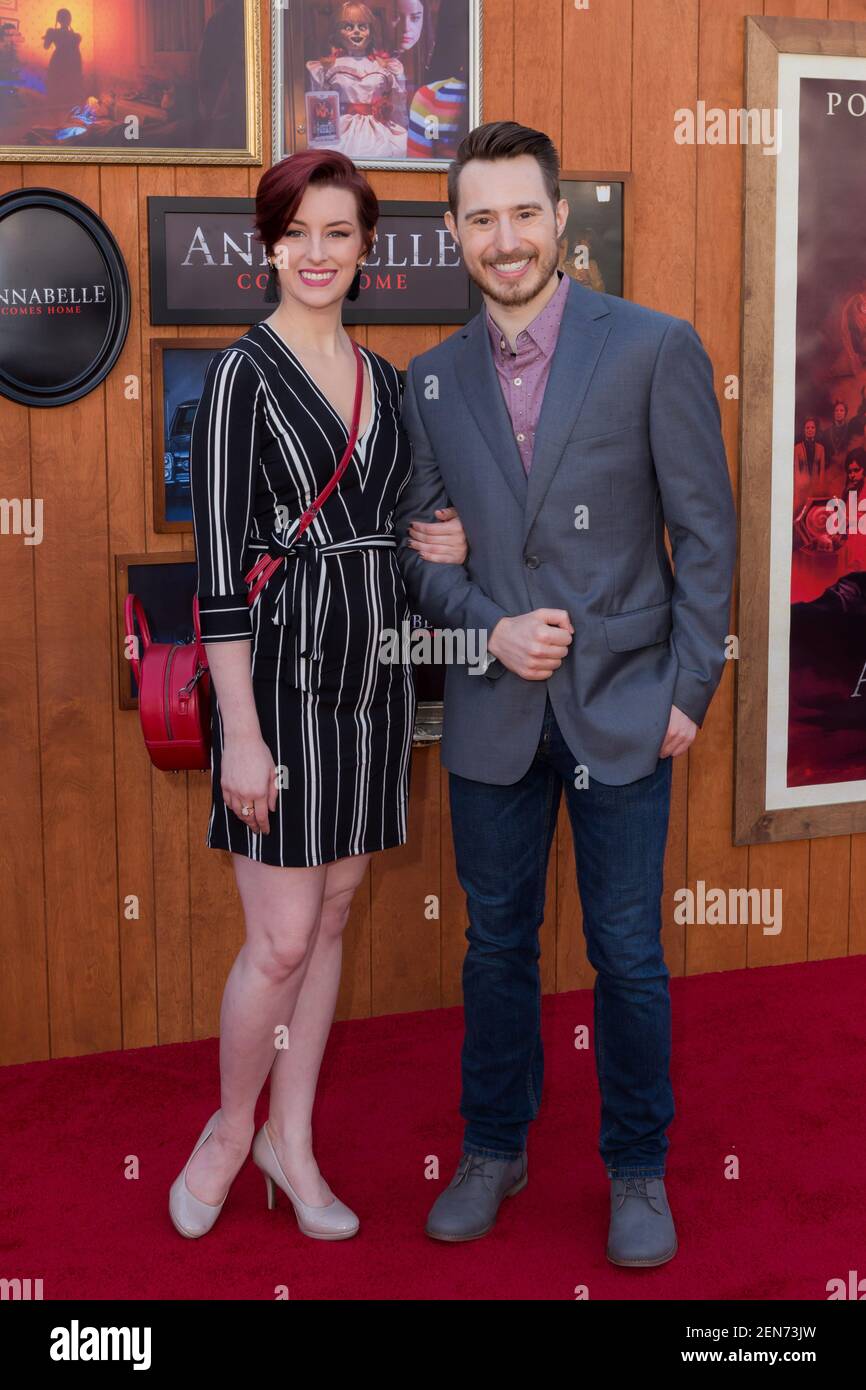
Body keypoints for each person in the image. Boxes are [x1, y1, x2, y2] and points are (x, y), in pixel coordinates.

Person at [394, 120, 737, 1265]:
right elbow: (421, 562)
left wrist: (688, 685)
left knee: (627, 954)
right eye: (479, 217)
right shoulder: (429, 381)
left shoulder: (651, 347)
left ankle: (636, 1169)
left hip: (628, 707)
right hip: (493, 712)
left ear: (560, 219)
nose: (504, 239)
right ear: (453, 233)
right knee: (495, 946)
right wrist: (482, 620)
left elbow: (704, 531)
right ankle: (492, 1148)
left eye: (523, 212)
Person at [170, 148, 467, 1241]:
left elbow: (399, 527)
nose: (315, 252)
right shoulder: (239, 376)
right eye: (295, 231)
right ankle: (227, 1128)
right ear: (269, 243)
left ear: (365, 249)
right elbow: (216, 572)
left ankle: (293, 1146)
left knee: (333, 915)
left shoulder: (388, 383)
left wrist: (442, 537)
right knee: (282, 938)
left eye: (336, 232)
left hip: (371, 676)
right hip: (279, 684)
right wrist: (238, 735)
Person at [42, 8, 83, 108]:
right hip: (69, 63)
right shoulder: (76, 36)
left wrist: (49, 36)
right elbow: (77, 53)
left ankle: (61, 116)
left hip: (62, 62)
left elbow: (46, 46)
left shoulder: (55, 32)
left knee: (61, 91)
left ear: (58, 19)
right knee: (66, 91)